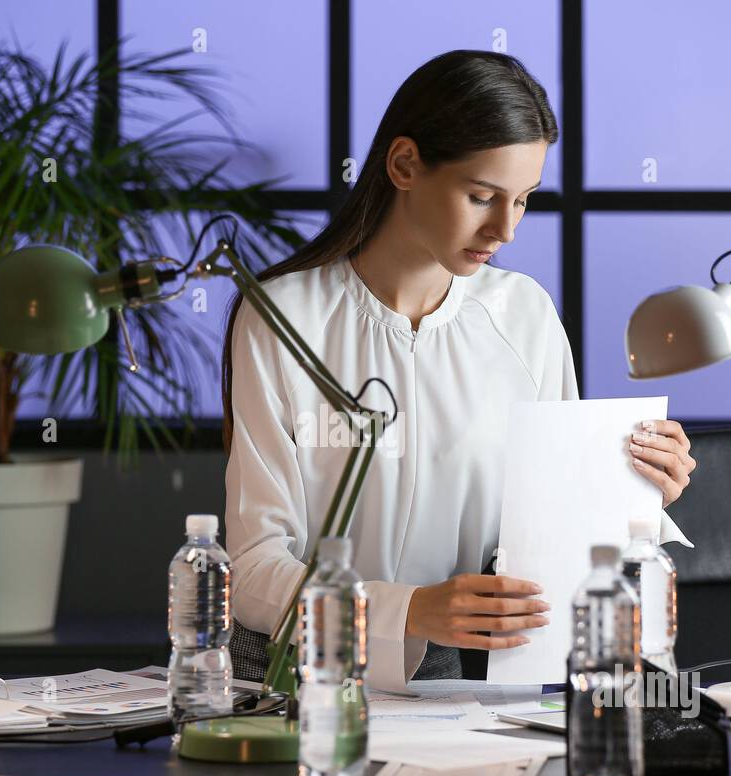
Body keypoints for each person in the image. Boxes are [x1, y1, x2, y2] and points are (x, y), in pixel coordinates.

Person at [221, 50, 696, 691]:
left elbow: (551, 538)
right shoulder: (281, 318)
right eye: (481, 197)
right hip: (290, 674)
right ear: (404, 164)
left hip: (450, 682)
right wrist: (408, 609)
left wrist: (635, 497)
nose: (505, 228)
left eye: (523, 201)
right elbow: (252, 569)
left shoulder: (524, 315)